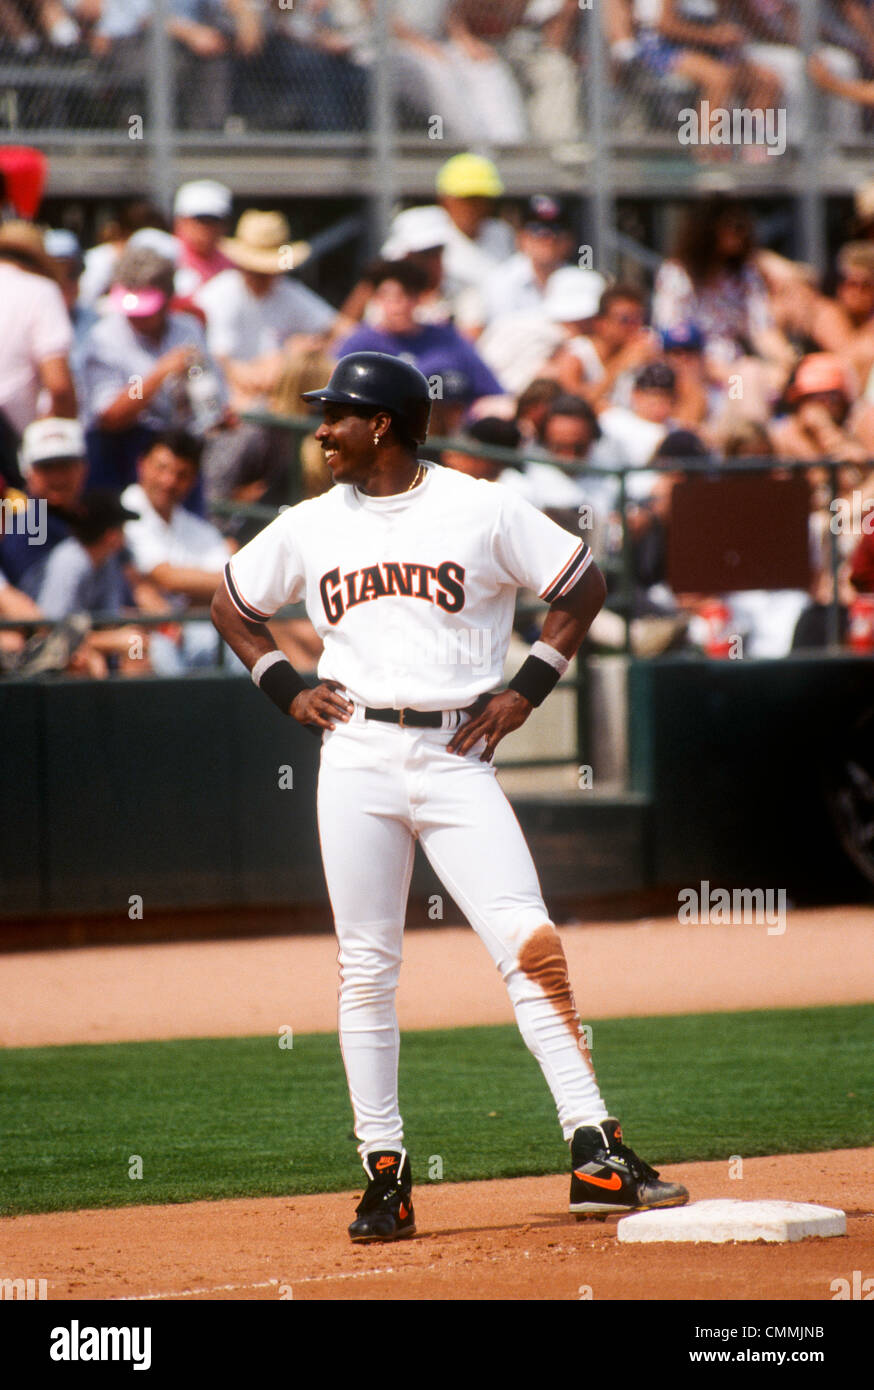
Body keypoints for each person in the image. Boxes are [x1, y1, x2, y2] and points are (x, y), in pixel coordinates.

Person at [210, 350, 689, 1240]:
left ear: (380, 424)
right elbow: (231, 604)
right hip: (354, 751)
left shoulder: (480, 506)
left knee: (530, 944)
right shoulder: (311, 522)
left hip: (457, 752)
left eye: (336, 416)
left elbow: (584, 584)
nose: (320, 429)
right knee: (368, 966)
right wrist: (283, 685)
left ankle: (594, 1150)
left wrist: (528, 688)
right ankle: (383, 1174)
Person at [0, 221, 76, 473]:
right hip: (9, 442)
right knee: (29, 512)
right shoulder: (41, 291)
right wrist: (54, 448)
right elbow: (60, 386)